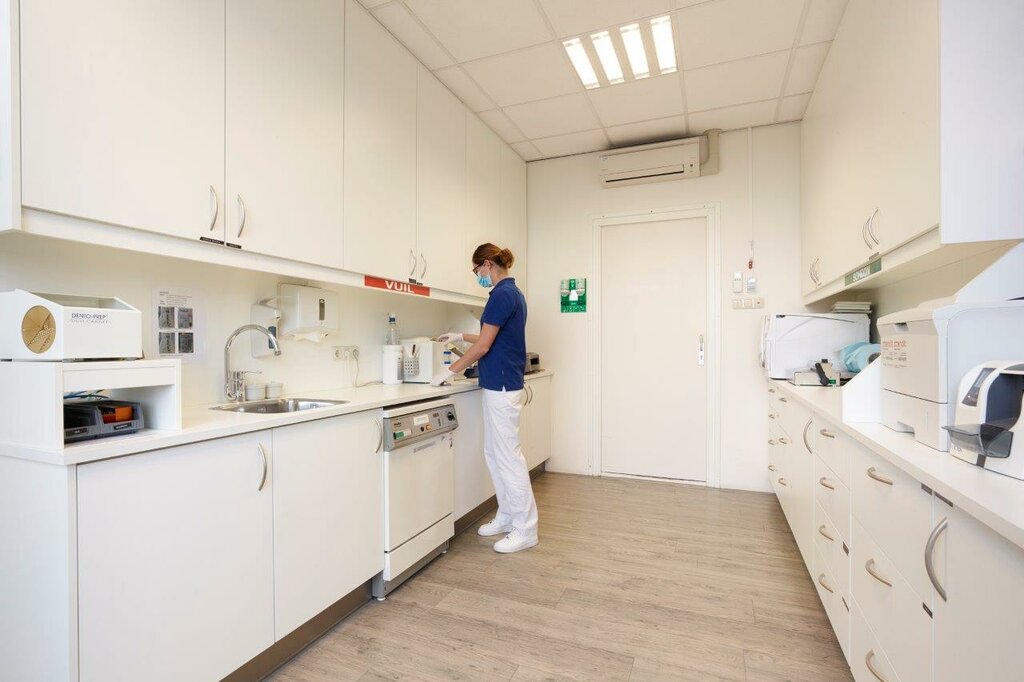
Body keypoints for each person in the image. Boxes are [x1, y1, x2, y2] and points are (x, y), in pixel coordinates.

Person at [431, 243, 539, 554]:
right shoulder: (511, 293)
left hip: (502, 386)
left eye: (477, 269)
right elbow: (490, 336)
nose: (477, 274)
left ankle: (526, 528)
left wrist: (448, 371)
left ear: (488, 264)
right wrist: (459, 336)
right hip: (499, 384)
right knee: (494, 454)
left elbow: (484, 346)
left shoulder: (501, 295)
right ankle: (507, 515)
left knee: (508, 458)